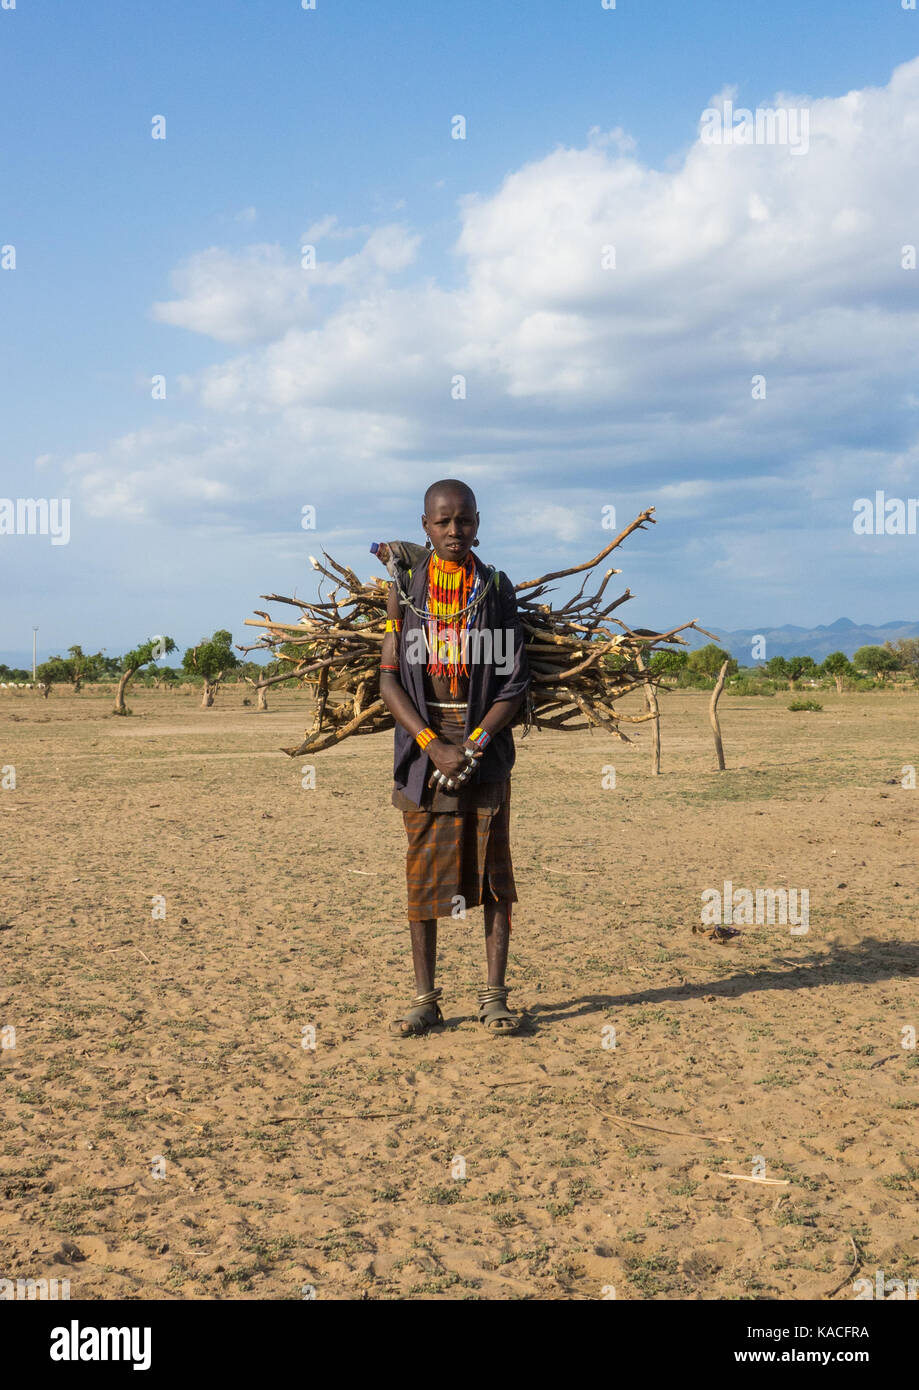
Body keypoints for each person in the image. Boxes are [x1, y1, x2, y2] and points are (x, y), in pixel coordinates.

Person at [378, 479, 531, 1036]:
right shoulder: (405, 592)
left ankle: (494, 997)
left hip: (483, 750)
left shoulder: (493, 588)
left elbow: (514, 681)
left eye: (463, 520)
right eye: (442, 522)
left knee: (493, 878)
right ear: (424, 526)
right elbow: (389, 679)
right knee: (423, 878)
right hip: (424, 753)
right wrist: (432, 744)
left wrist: (473, 744)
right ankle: (425, 999)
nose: (453, 531)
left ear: (478, 522)